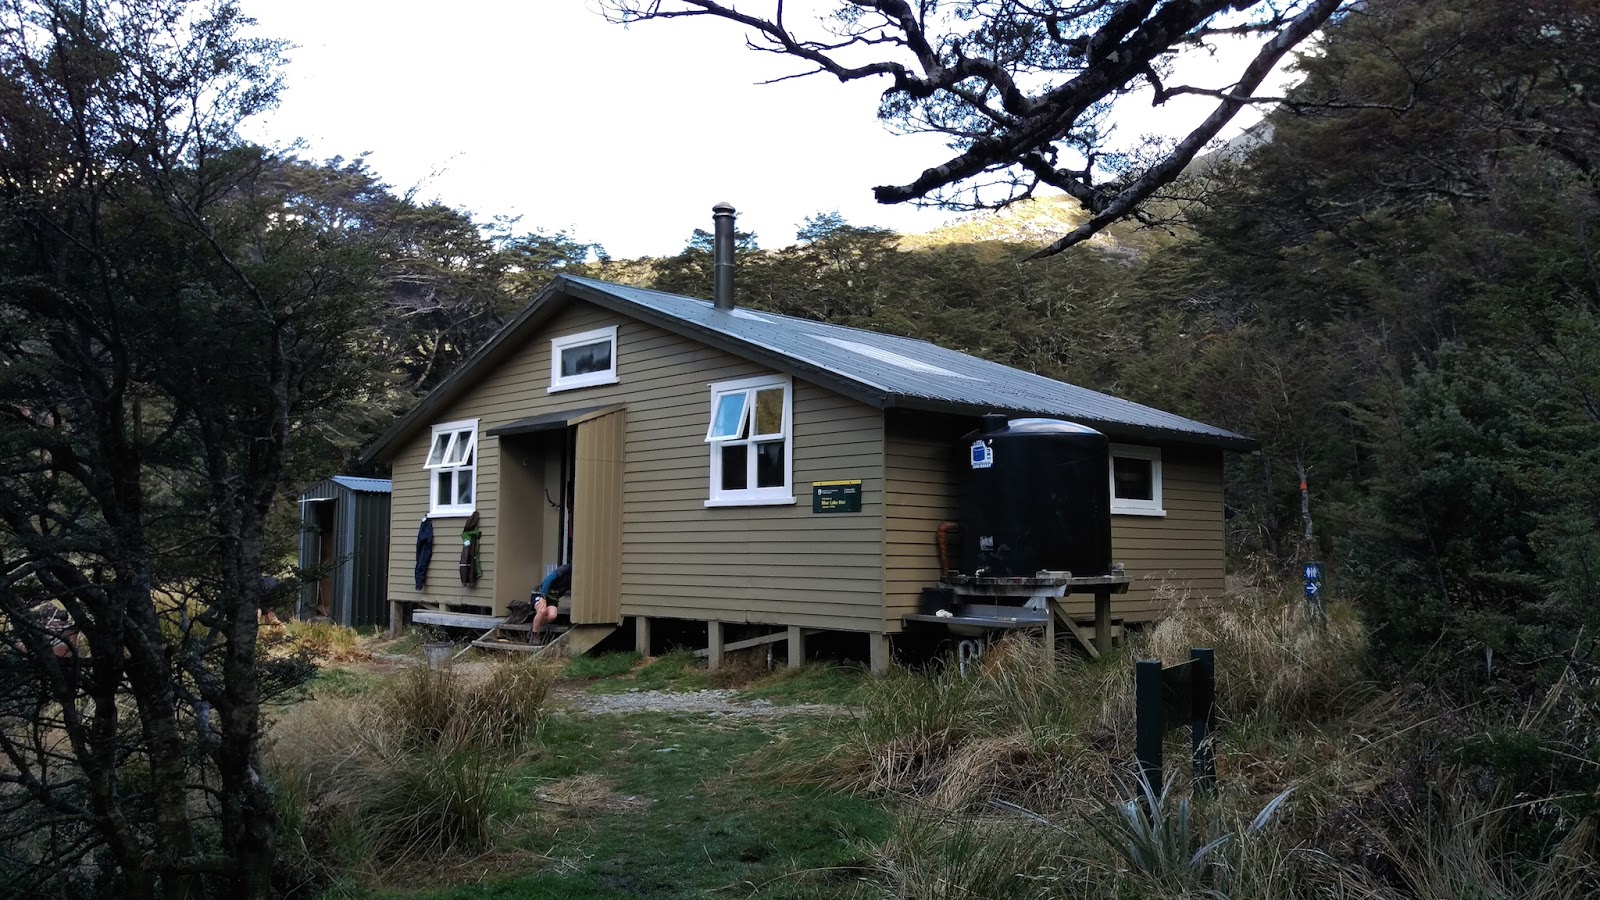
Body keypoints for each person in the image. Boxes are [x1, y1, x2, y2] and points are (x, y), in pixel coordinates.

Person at [529, 564, 571, 644]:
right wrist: (543, 597)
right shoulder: (565, 569)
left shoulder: (576, 578)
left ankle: (535, 625)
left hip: (553, 598)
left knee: (552, 616)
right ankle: (534, 635)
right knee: (542, 611)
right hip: (540, 593)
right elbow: (548, 579)